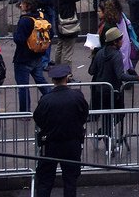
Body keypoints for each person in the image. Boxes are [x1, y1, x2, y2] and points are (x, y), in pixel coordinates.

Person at [33, 63, 90, 197]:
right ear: (67, 78)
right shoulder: (77, 96)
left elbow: (38, 118)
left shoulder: (46, 100)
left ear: (53, 80)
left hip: (50, 144)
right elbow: (84, 116)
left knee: (45, 179)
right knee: (70, 180)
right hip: (72, 143)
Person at [13, 0, 51, 112]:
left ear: (27, 6)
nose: (21, 5)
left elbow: (19, 39)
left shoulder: (25, 20)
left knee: (23, 87)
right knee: (40, 80)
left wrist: (15, 35)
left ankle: (25, 112)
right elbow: (50, 33)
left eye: (23, 3)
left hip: (23, 58)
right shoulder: (41, 17)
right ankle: (50, 99)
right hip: (38, 55)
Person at [51, 0, 82, 66]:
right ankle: (66, 76)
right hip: (68, 24)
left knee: (60, 48)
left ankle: (58, 72)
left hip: (59, 22)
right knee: (68, 52)